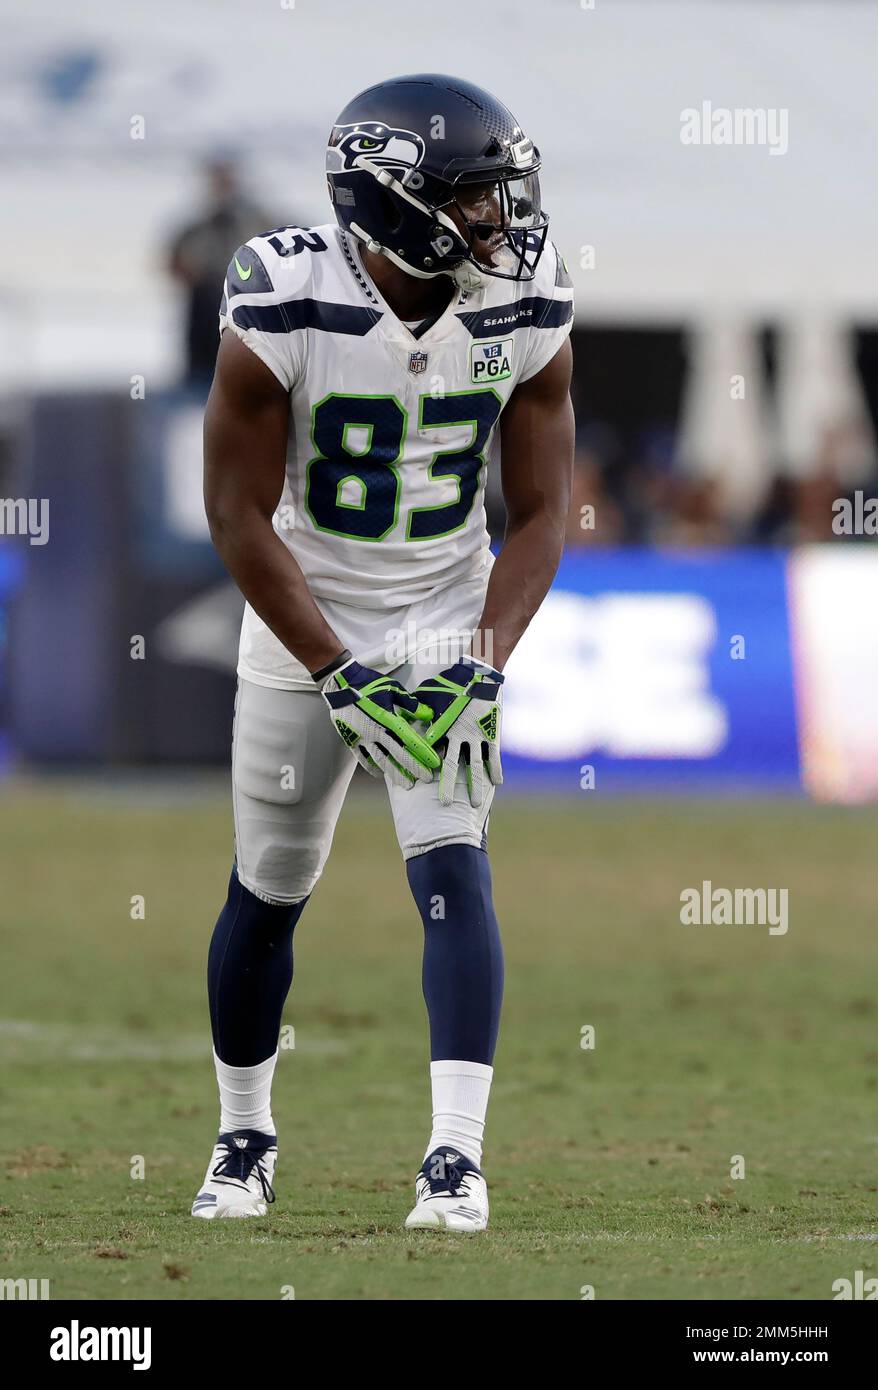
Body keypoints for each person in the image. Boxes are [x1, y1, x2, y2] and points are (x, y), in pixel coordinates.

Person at [195, 73, 574, 1232]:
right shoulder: (282, 290)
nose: (499, 222)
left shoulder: (527, 299)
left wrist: (481, 659)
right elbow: (236, 514)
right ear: (395, 202)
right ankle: (243, 1135)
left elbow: (546, 511)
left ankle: (453, 1160)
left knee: (452, 869)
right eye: (471, 199)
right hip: (304, 608)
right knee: (269, 889)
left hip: (440, 610)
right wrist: (333, 668)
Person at [168, 158, 272, 387]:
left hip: (245, 322)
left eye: (226, 180)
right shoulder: (196, 228)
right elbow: (172, 263)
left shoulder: (256, 221)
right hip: (204, 323)